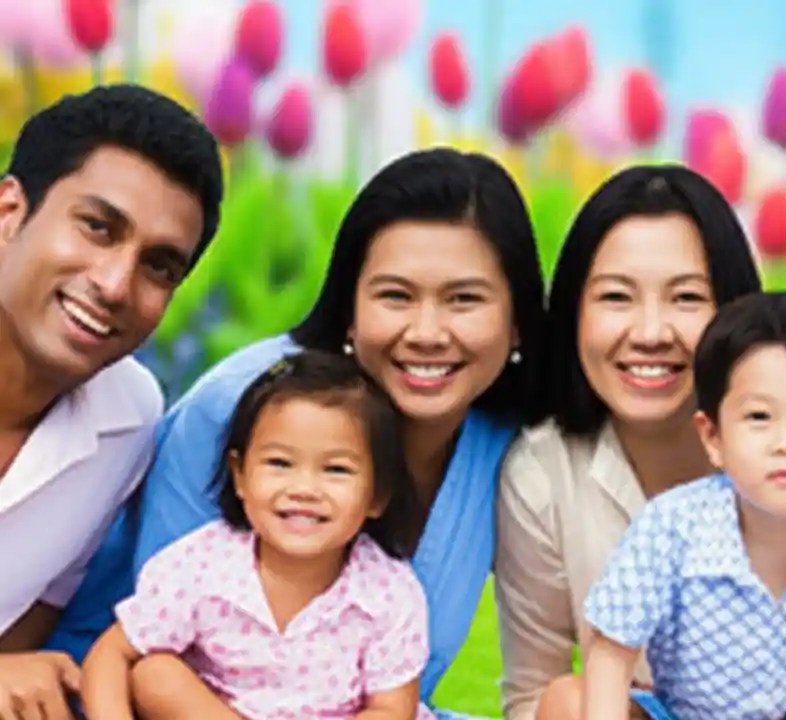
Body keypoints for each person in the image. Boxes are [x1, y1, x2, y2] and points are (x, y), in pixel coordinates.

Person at [47, 147, 547, 715]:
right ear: (350, 308)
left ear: (517, 322)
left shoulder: (511, 436)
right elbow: (156, 662)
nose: (427, 333)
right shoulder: (244, 405)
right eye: (395, 296)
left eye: (464, 300)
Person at [494, 165, 786, 720]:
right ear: (574, 313)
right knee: (566, 702)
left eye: (685, 297)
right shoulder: (544, 471)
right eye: (616, 297)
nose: (651, 332)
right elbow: (535, 694)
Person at [579, 291, 786, 720]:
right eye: (759, 417)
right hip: (686, 713)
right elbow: (611, 652)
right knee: (568, 702)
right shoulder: (671, 526)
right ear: (713, 437)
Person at [0, 84, 222, 717]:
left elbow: (26, 638)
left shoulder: (127, 417)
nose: (115, 284)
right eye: (97, 228)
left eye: (159, 266)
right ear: (9, 210)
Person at [82, 351, 432, 719]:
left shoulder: (387, 591)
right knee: (154, 673)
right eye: (279, 463)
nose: (304, 489)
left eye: (336, 470)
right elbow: (112, 654)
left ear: (377, 496)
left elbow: (392, 709)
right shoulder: (201, 564)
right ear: (240, 476)